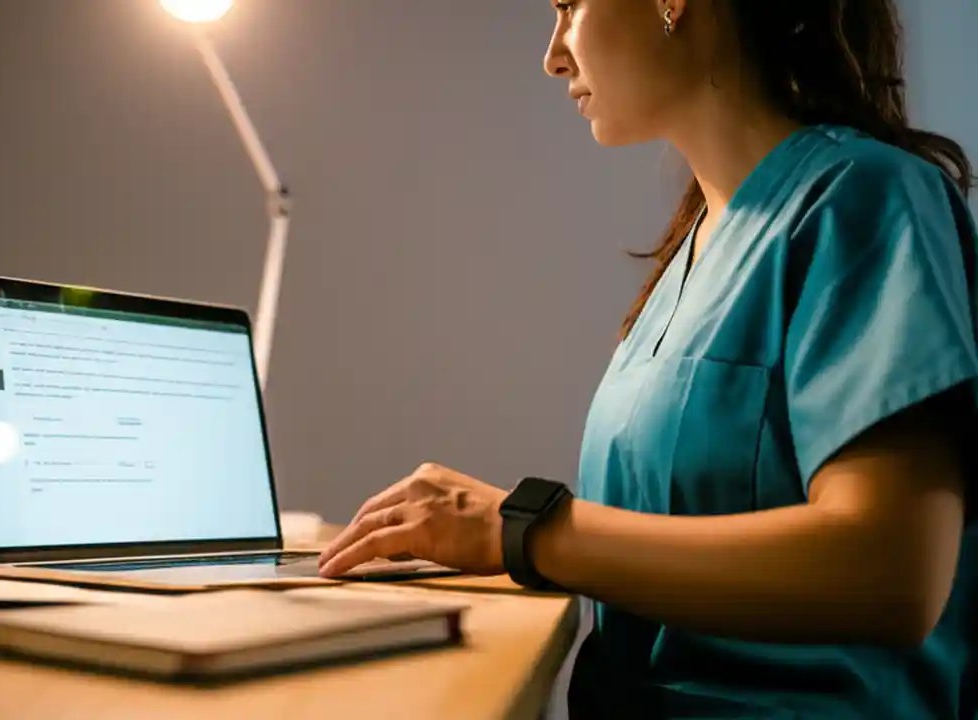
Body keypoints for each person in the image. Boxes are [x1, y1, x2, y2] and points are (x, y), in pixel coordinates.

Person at [317, 1, 977, 717]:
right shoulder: (695, 246)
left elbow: (890, 572)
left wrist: (526, 530)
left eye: (569, 7)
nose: (554, 55)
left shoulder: (864, 198)